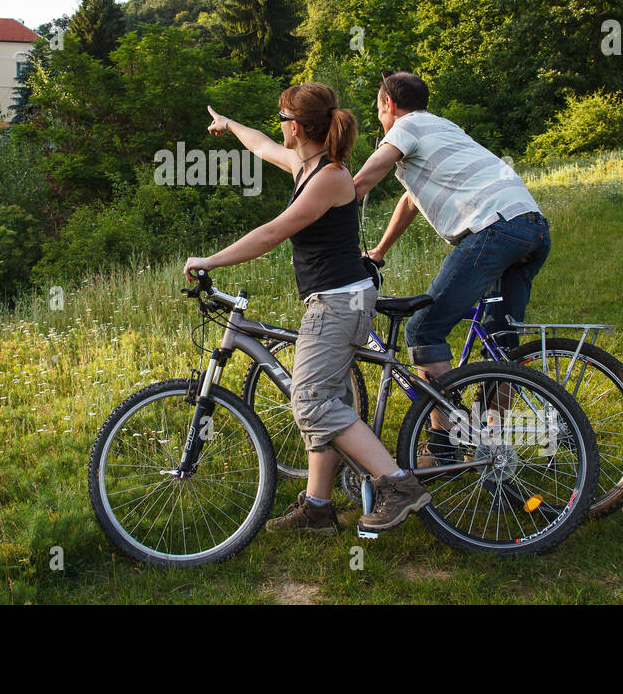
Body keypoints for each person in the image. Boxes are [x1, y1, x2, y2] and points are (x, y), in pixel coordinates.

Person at [183, 83, 431, 535]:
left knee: (312, 401)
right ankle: (318, 508)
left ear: (297, 127)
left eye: (282, 119)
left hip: (339, 302)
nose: (279, 128)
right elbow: (260, 144)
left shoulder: (331, 177)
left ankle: (396, 483)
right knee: (326, 399)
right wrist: (228, 123)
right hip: (334, 299)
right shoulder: (306, 164)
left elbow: (273, 232)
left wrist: (210, 259)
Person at [352, 72, 551, 414]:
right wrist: (380, 251)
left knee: (424, 331)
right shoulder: (444, 127)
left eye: (378, 107)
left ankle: (445, 443)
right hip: (532, 226)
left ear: (389, 103)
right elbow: (411, 201)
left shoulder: (406, 127)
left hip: (495, 229)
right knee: (500, 344)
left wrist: (325, 215)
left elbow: (364, 180)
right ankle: (492, 443)